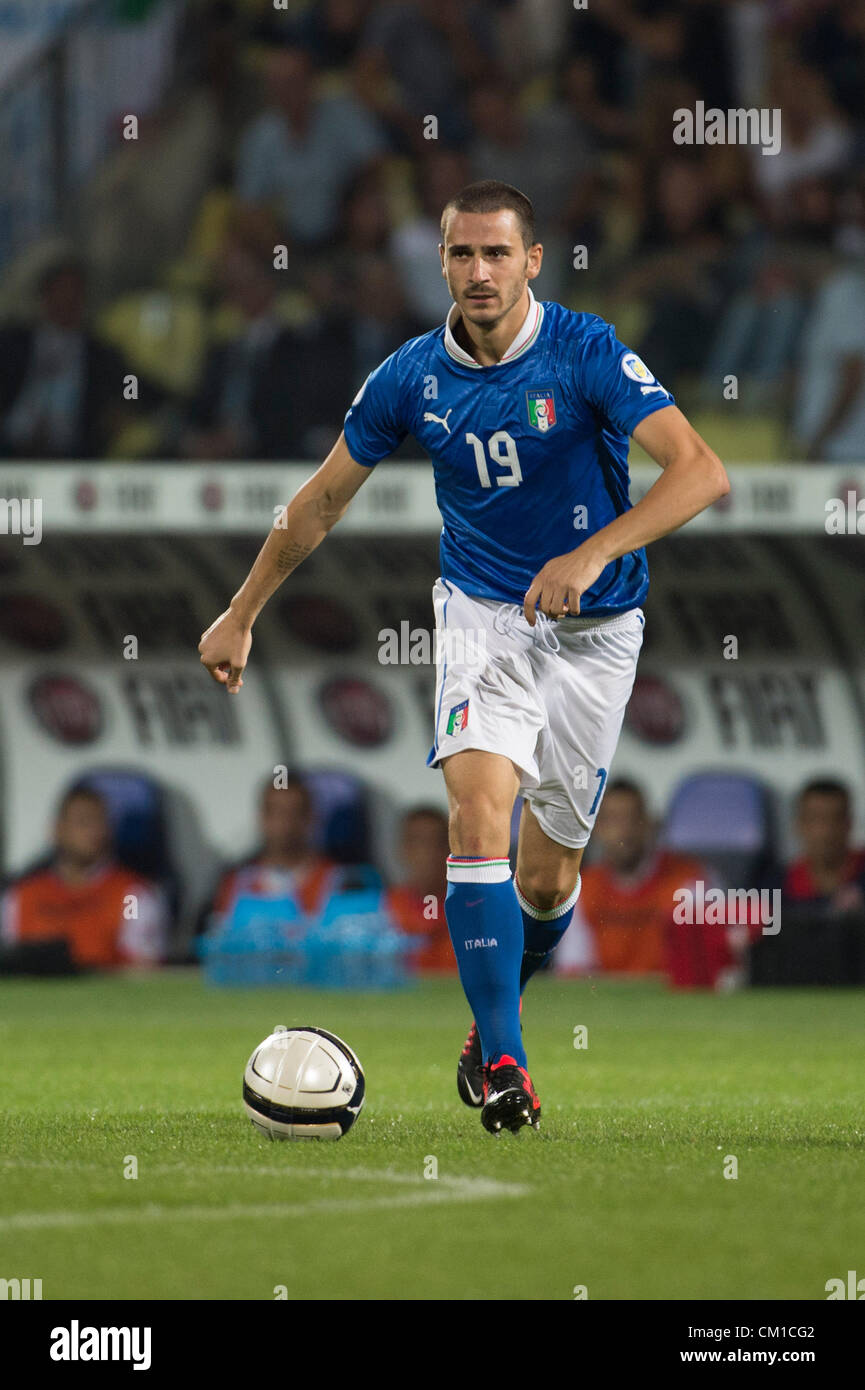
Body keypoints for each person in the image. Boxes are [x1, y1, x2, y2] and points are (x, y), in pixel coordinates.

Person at [198, 179, 729, 1135]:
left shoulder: (585, 351)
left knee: (547, 880)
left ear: (532, 261)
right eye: (460, 255)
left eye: (497, 254)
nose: (478, 272)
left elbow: (701, 471)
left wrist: (591, 550)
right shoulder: (409, 376)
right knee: (476, 820)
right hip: (483, 618)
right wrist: (240, 613)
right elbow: (319, 500)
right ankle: (510, 1068)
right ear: (440, 262)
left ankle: (495, 1022)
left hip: (598, 629)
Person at [556, 779, 735, 989]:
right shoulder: (583, 888)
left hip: (675, 1003)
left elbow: (717, 967)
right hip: (607, 1007)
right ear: (597, 828)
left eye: (633, 818)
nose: (624, 831)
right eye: (614, 820)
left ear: (649, 824)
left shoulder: (688, 881)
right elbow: (573, 971)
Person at [0, 787, 165, 969]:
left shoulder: (131, 896)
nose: (94, 832)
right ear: (57, 830)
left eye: (100, 822)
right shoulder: (21, 897)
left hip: (104, 993)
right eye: (83, 822)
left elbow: (142, 963)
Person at [203, 775, 344, 926]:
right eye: (275, 812)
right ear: (262, 817)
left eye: (294, 812)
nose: (284, 822)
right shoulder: (233, 885)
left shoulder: (340, 881)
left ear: (310, 817)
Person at [385, 805, 455, 972]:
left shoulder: (468, 906)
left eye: (437, 842)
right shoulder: (385, 907)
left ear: (451, 848)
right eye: (417, 841)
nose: (427, 853)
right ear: (402, 849)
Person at [784, 779, 865, 914]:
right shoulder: (781, 884)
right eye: (816, 819)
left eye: (836, 818)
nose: (826, 831)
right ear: (799, 825)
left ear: (849, 823)